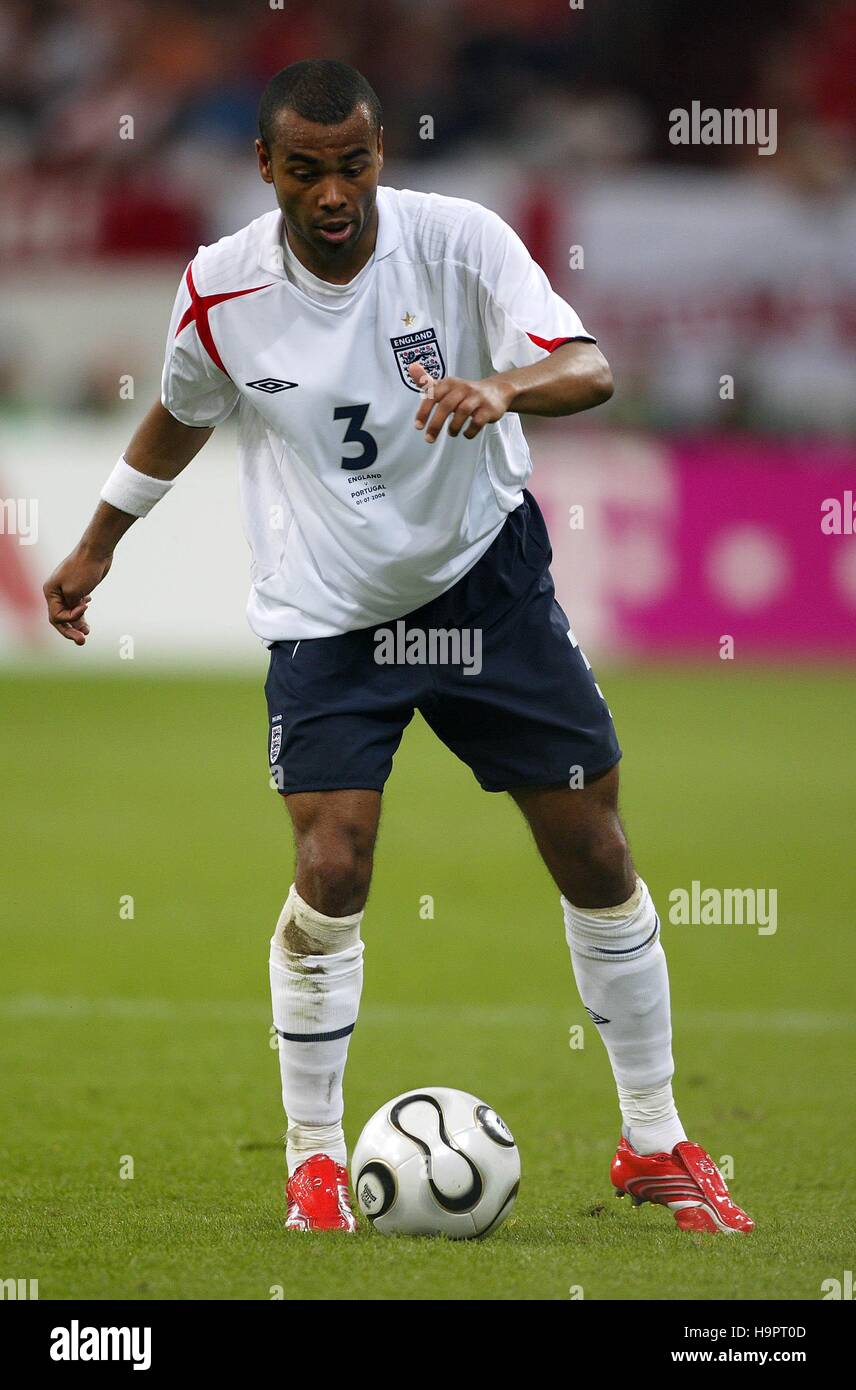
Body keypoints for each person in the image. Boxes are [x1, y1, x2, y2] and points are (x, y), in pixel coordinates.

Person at [43, 58, 753, 1236]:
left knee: (594, 845)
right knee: (333, 865)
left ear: (383, 155)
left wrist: (502, 388)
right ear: (266, 166)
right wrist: (98, 541)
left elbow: (592, 367)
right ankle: (315, 1160)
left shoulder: (459, 243)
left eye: (356, 164)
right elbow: (182, 407)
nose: (335, 194)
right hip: (329, 614)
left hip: (486, 584)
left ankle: (654, 1139)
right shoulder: (221, 288)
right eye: (308, 170)